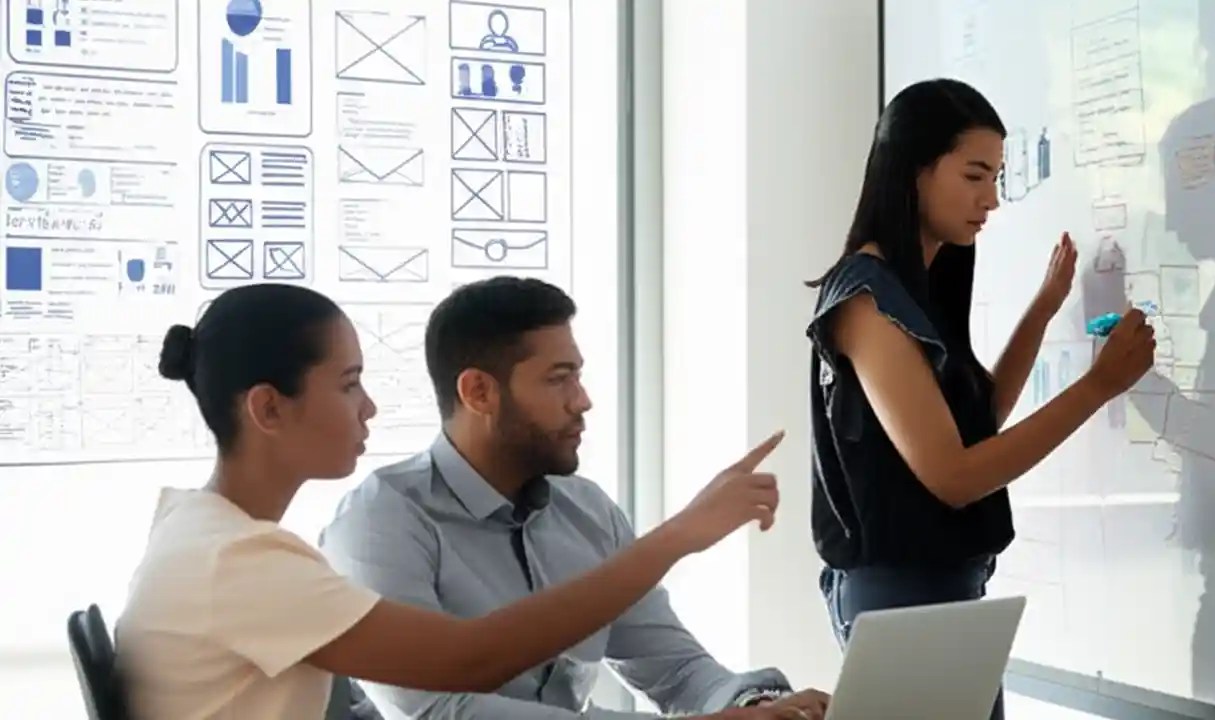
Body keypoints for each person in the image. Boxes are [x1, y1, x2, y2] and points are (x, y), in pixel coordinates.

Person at [114, 283, 802, 720]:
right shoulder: (239, 561)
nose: (370, 406)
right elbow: (464, 668)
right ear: (268, 407)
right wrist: (678, 535)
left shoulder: (207, 538)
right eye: (349, 384)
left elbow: (671, 667)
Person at [319, 277, 830, 720]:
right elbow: (436, 713)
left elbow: (676, 672)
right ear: (478, 392)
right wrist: (679, 536)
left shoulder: (586, 511)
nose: (582, 401)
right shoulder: (380, 522)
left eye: (578, 376)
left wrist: (756, 704)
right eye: (559, 379)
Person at [805, 78, 1157, 719]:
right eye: (974, 176)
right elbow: (955, 476)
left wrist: (1044, 310)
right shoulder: (866, 299)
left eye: (995, 177)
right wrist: (1099, 386)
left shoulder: (914, 287)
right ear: (914, 170)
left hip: (944, 600)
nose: (990, 200)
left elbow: (977, 424)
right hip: (903, 604)